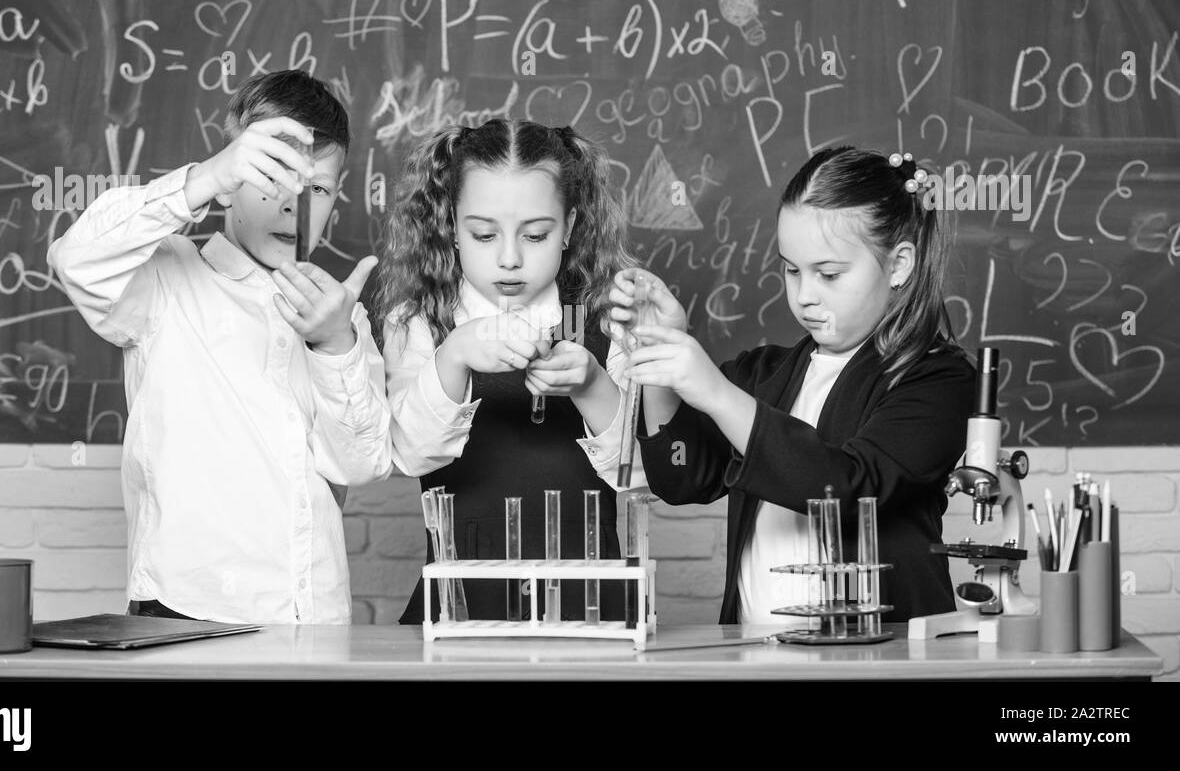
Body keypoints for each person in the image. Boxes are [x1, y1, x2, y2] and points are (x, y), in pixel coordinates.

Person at [48, 70, 391, 624]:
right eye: (271, 177)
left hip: (312, 619)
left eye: (318, 190)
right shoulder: (165, 279)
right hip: (186, 617)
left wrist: (333, 344)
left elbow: (361, 465)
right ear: (231, 180)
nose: (294, 206)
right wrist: (204, 177)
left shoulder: (341, 316)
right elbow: (76, 259)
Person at [612, 146, 973, 624]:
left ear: (899, 264)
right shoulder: (763, 373)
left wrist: (717, 394)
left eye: (829, 274)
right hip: (756, 653)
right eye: (791, 270)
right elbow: (682, 479)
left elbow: (848, 489)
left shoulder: (938, 379)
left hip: (881, 654)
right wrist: (659, 355)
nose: (804, 295)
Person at [374, 119, 645, 624]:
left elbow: (643, 477)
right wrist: (454, 356)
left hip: (590, 606)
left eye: (536, 235)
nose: (509, 259)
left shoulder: (602, 317)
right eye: (483, 234)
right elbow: (409, 454)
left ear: (569, 227)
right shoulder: (421, 322)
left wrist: (592, 386)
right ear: (452, 227)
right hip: (463, 604)